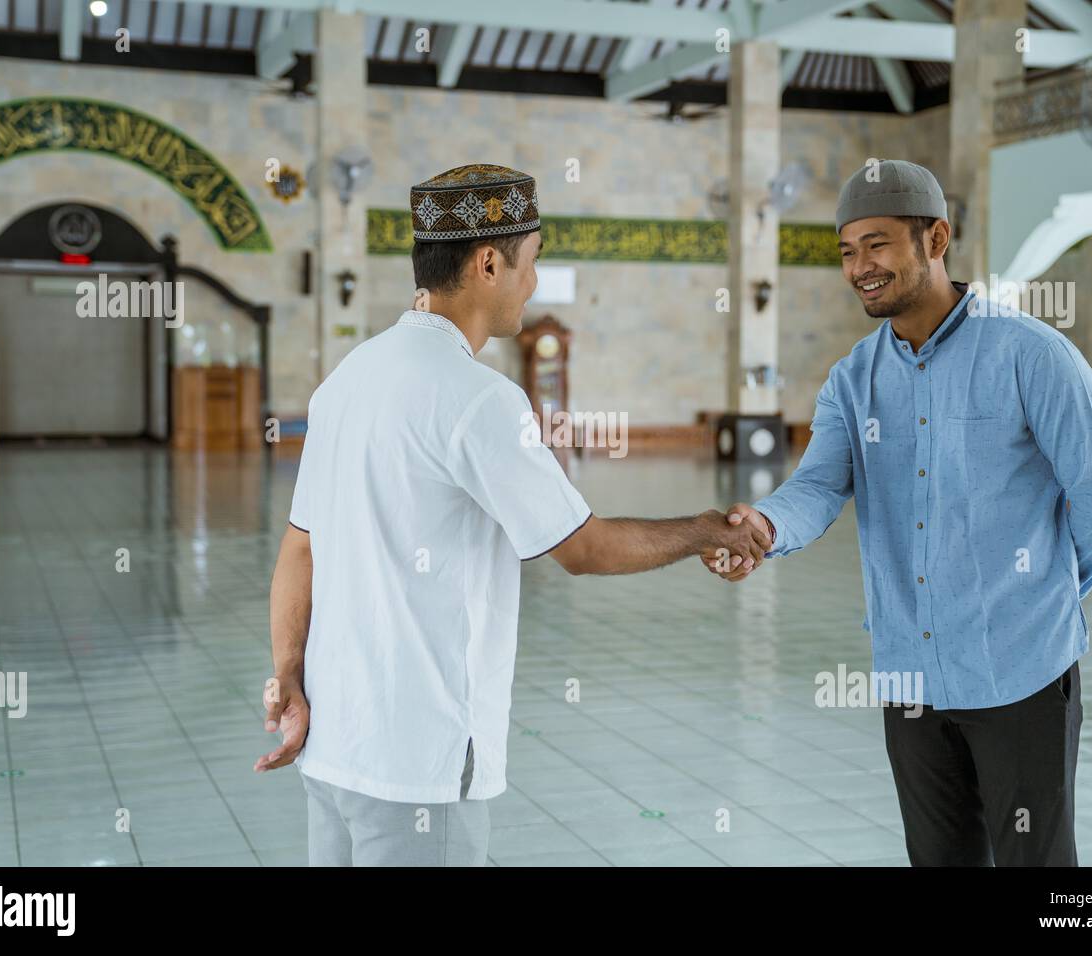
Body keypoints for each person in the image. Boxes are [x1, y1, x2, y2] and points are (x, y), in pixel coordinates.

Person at [255, 164, 769, 867]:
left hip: (331, 748)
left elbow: (298, 549)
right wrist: (706, 530)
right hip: (420, 765)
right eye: (531, 262)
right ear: (488, 264)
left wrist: (288, 673)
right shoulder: (481, 399)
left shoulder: (343, 383)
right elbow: (584, 548)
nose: (532, 282)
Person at [708, 159, 1092, 866]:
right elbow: (818, 485)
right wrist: (765, 526)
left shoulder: (1030, 355)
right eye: (848, 251)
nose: (860, 267)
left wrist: (1042, 598)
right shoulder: (854, 379)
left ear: (936, 239)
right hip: (910, 675)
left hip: (1021, 673)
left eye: (877, 244)